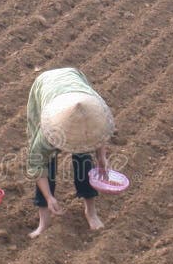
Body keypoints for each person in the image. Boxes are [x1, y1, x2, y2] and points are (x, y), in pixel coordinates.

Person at [26, 67, 115, 238]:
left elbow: (100, 132)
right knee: (47, 160)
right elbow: (37, 166)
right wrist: (49, 197)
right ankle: (43, 220)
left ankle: (91, 212)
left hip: (74, 83)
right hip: (45, 86)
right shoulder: (47, 133)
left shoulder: (93, 112)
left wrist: (102, 158)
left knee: (83, 158)